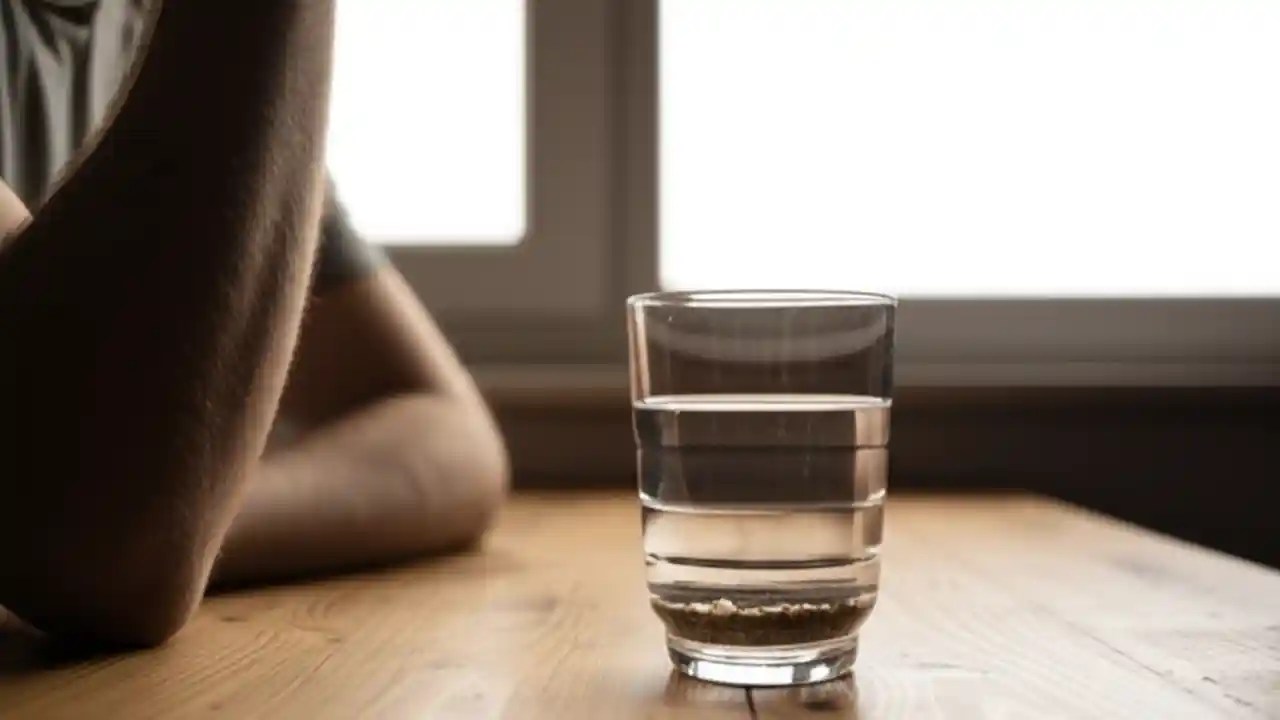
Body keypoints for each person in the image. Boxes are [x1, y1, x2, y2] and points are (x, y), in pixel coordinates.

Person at [0, 1, 508, 645]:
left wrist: (187, 520)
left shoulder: (145, 39)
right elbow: (87, 537)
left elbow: (452, 439)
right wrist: (160, 521)